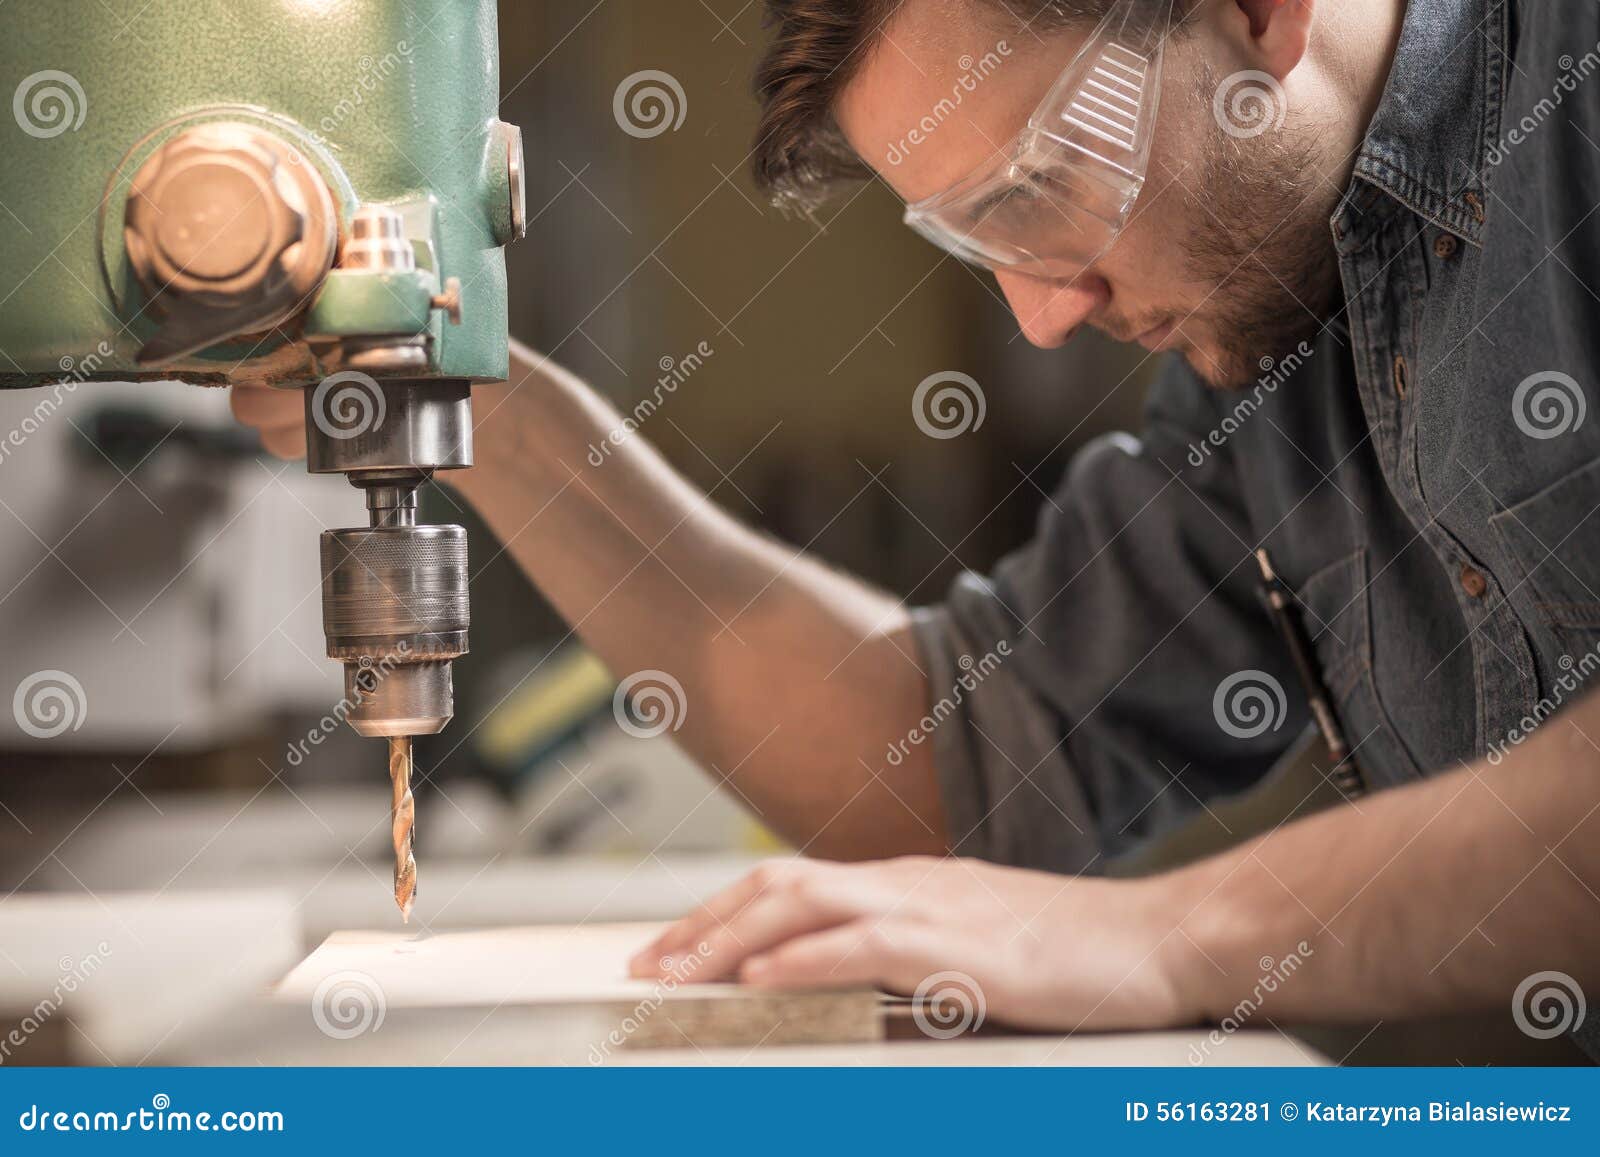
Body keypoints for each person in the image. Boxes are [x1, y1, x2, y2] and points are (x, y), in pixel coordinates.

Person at [233, 0, 1600, 1051]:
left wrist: (1170, 936)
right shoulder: (1280, 336)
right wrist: (496, 417)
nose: (1044, 312)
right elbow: (962, 761)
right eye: (976, 243)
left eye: (1045, 192)